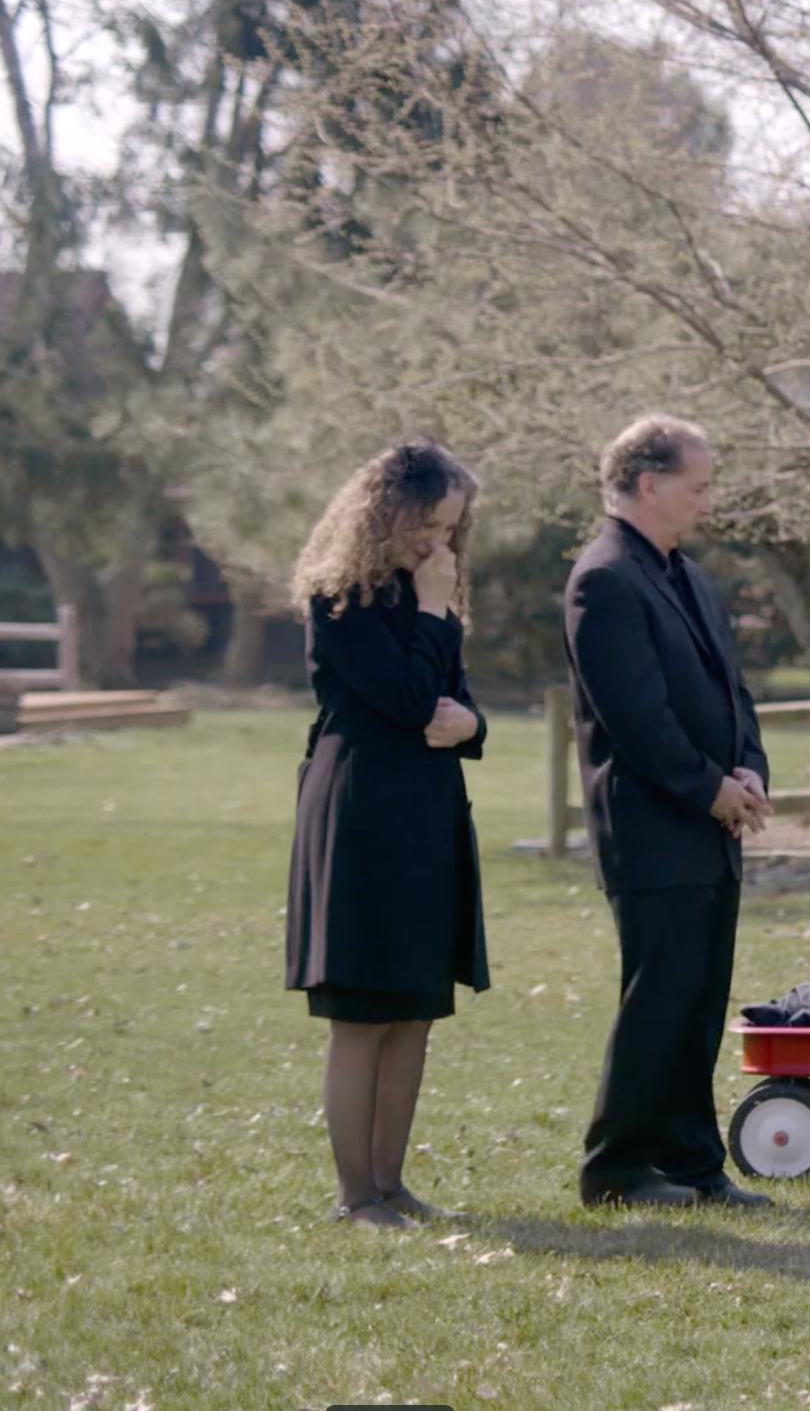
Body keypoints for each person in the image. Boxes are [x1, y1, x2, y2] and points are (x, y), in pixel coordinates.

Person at [564, 414, 774, 1209]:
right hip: (653, 829)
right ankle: (615, 1165)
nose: (709, 502)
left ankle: (690, 1160)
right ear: (647, 484)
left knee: (698, 994)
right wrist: (709, 787)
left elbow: (733, 692)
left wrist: (747, 767)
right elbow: (637, 718)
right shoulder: (604, 578)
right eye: (699, 486)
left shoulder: (684, 573)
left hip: (711, 822)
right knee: (660, 995)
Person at [286, 438, 490, 1229]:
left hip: (426, 811)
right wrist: (437, 614)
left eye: (450, 528)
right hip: (360, 812)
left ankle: (392, 1183)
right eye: (427, 524)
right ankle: (355, 1195)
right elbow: (408, 695)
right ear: (388, 509)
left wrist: (468, 721)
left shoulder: (426, 592)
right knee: (363, 1012)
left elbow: (453, 703)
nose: (437, 543)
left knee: (414, 1007)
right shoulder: (341, 598)